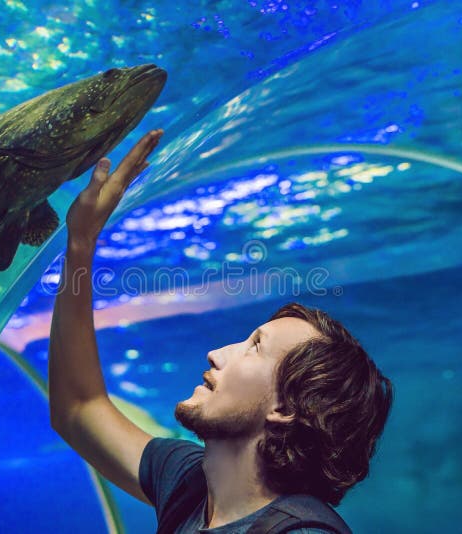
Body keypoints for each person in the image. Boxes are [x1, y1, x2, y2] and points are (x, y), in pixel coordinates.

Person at [49, 129, 394, 533]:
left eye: (254, 348)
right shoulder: (191, 484)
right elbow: (78, 408)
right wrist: (81, 242)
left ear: (284, 409)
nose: (217, 352)